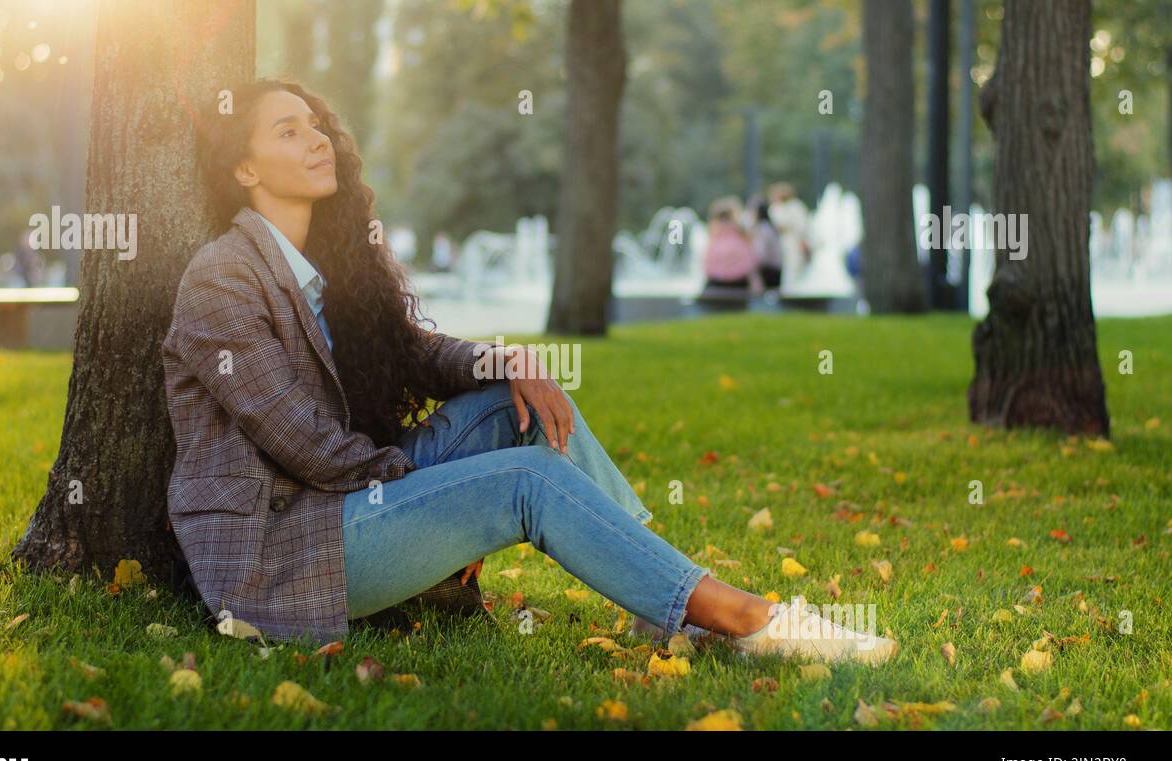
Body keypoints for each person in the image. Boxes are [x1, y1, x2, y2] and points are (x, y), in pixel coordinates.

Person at [161, 78, 898, 666]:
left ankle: (666, 606)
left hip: (349, 502)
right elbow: (303, 441)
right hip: (286, 552)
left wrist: (502, 360)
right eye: (286, 131)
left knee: (511, 406)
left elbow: (415, 351)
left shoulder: (327, 265)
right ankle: (748, 617)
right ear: (245, 169)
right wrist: (427, 493)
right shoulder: (222, 278)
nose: (314, 137)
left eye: (314, 123)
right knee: (526, 480)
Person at [701, 196, 763, 296]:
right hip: (739, 281)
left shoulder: (714, 237)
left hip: (718, 281)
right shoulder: (741, 235)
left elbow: (707, 267)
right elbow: (751, 263)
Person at [767, 182, 811, 289]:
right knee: (790, 266)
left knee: (797, 265)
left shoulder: (796, 206)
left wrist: (803, 240)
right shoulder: (776, 208)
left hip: (796, 241)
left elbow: (802, 226)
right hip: (786, 242)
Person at [752, 202, 784, 292]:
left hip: (768, 268)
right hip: (774, 267)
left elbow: (761, 252)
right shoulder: (770, 227)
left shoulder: (763, 229)